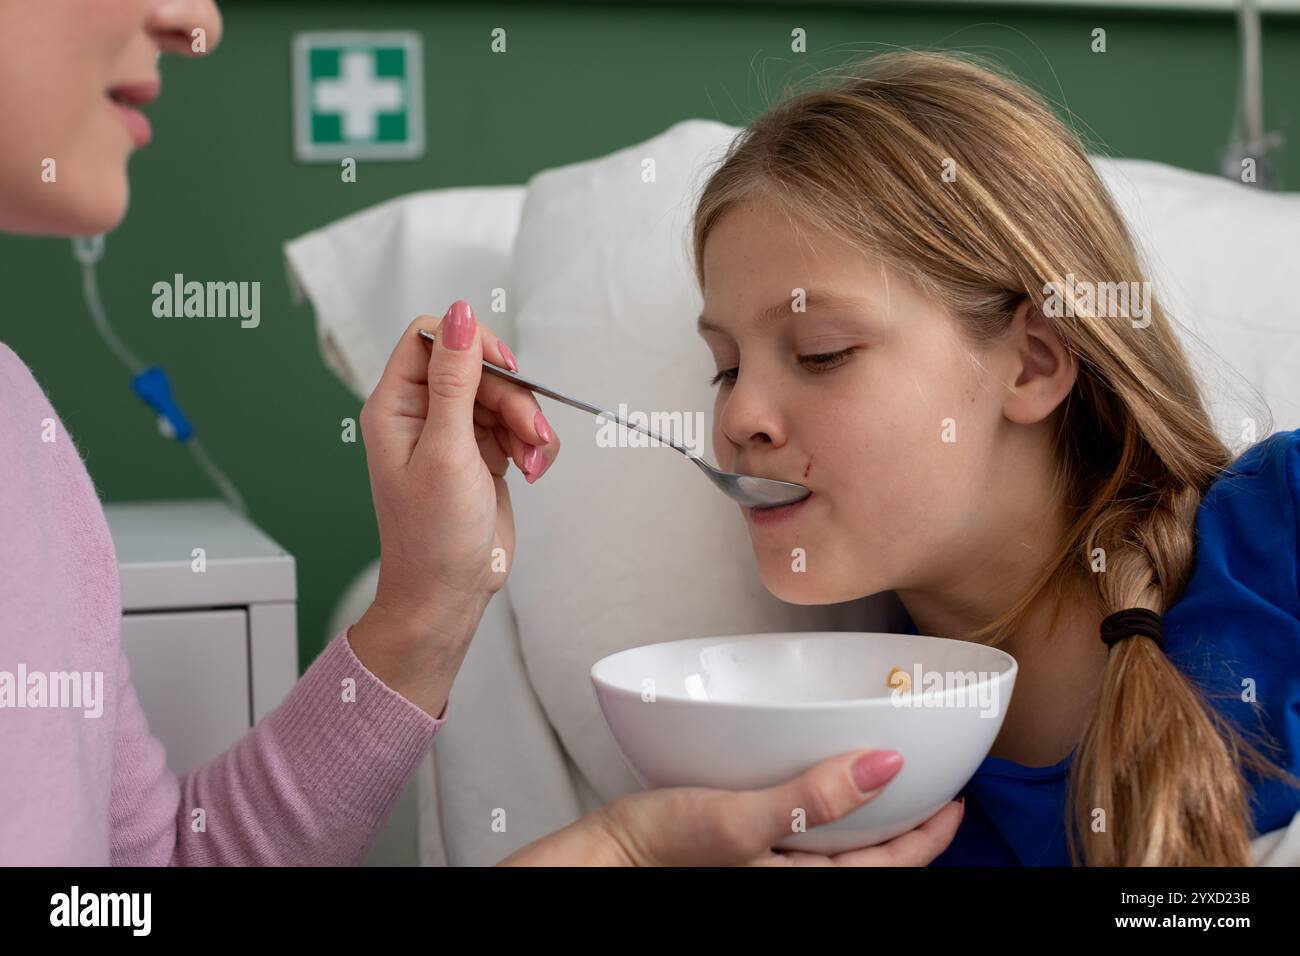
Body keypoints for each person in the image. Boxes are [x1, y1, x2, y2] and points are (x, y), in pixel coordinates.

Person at [0, 0, 961, 867]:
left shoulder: (19, 431)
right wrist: (619, 853)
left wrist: (429, 598)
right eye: (722, 369)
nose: (197, 20)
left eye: (824, 351)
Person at [688, 50, 1300, 864]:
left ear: (1034, 362)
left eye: (822, 351)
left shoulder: (1283, 530)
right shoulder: (858, 809)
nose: (739, 416)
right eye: (725, 367)